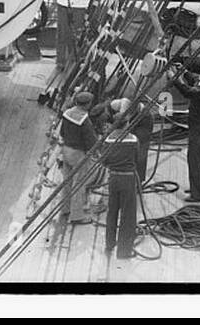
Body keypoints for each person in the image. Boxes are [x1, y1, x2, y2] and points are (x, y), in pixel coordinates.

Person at [173, 59, 200, 202]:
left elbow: (187, 91)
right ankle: (196, 187)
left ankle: (198, 195)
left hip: (198, 130)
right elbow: (193, 78)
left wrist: (174, 79)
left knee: (195, 160)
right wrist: (183, 71)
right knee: (194, 159)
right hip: (198, 128)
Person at [103, 117, 142, 262]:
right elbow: (138, 158)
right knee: (128, 215)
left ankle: (109, 243)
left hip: (113, 178)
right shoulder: (133, 140)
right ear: (126, 124)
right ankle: (124, 251)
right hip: (128, 179)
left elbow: (104, 161)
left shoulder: (108, 140)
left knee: (112, 211)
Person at [59, 91, 98, 224]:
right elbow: (91, 140)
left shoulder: (67, 113)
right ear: (87, 105)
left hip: (66, 150)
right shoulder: (84, 119)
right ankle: (76, 216)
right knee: (79, 185)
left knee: (67, 181)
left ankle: (65, 209)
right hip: (78, 154)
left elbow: (62, 132)